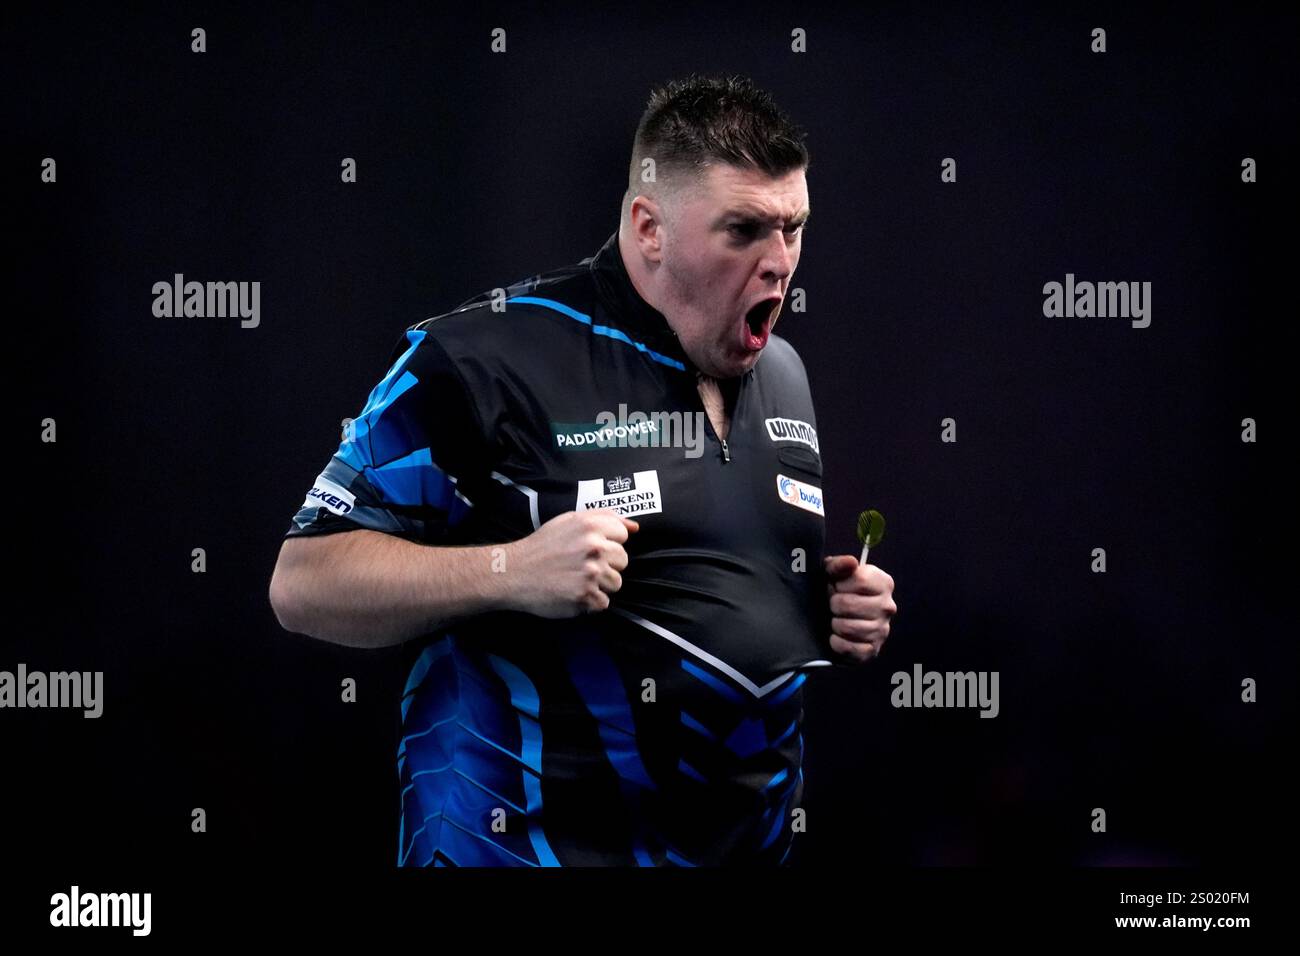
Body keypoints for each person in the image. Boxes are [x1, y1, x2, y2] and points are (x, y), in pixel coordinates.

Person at [268, 74, 897, 867]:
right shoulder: (485, 357)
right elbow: (303, 582)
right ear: (649, 227)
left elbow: (700, 582)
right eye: (743, 230)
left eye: (795, 228)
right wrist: (510, 569)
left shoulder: (785, 375)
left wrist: (818, 606)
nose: (780, 264)